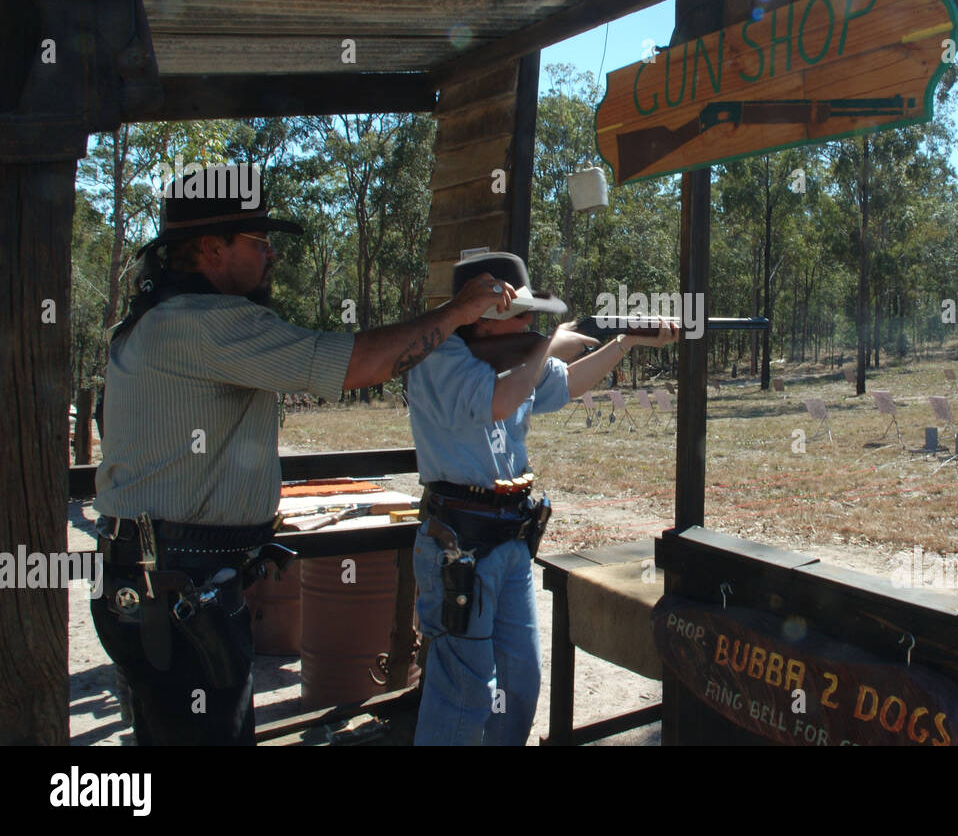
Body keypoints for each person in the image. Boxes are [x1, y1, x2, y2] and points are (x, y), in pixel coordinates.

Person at [91, 172, 513, 745]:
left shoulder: (160, 321)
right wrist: (457, 311)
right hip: (178, 588)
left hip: (165, 581)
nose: (272, 253)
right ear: (211, 249)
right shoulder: (207, 322)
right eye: (257, 240)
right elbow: (356, 364)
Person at [407, 251, 677, 745]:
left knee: (520, 682)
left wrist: (624, 342)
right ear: (488, 315)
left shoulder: (519, 359)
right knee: (464, 690)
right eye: (524, 311)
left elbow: (567, 383)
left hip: (510, 539)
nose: (532, 321)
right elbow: (499, 399)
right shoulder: (439, 357)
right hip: (459, 543)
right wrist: (551, 341)